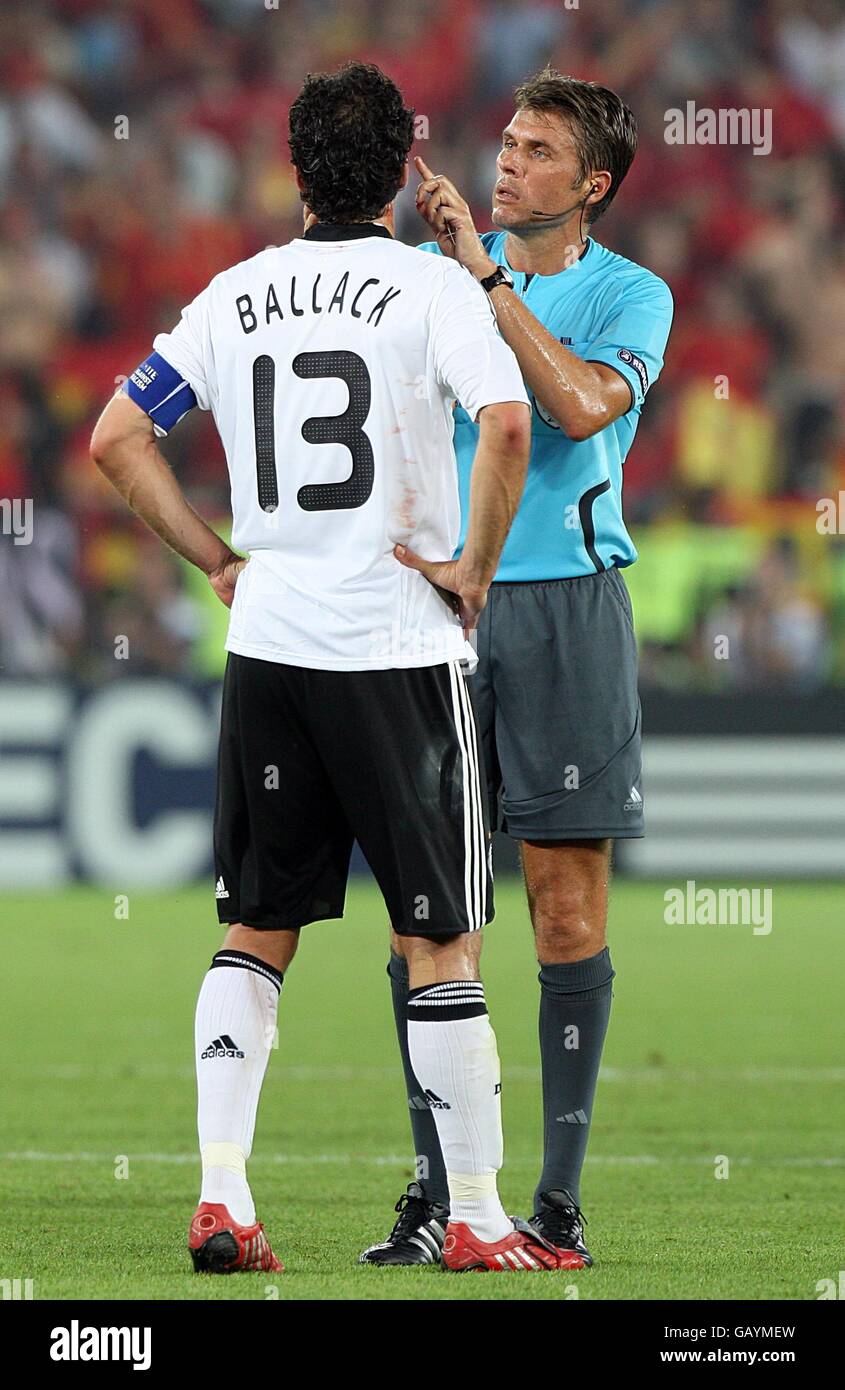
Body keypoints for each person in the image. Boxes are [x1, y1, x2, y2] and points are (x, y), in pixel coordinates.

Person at [89, 61, 576, 1275]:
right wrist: (471, 564)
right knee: (442, 942)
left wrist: (215, 557)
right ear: (397, 175)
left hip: (271, 651)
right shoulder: (427, 288)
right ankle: (471, 1215)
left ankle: (221, 1198)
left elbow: (114, 437)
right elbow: (509, 420)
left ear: (295, 170)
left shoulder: (233, 296)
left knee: (256, 930)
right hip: (398, 648)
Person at [361, 69, 674, 1269]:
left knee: (562, 909)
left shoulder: (626, 294)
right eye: (506, 141)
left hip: (562, 614)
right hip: (438, 611)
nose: (507, 161)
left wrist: (487, 281)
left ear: (590, 184)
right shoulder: (432, 274)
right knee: (427, 919)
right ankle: (442, 1193)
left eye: (538, 150)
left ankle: (554, 1205)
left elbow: (581, 409)